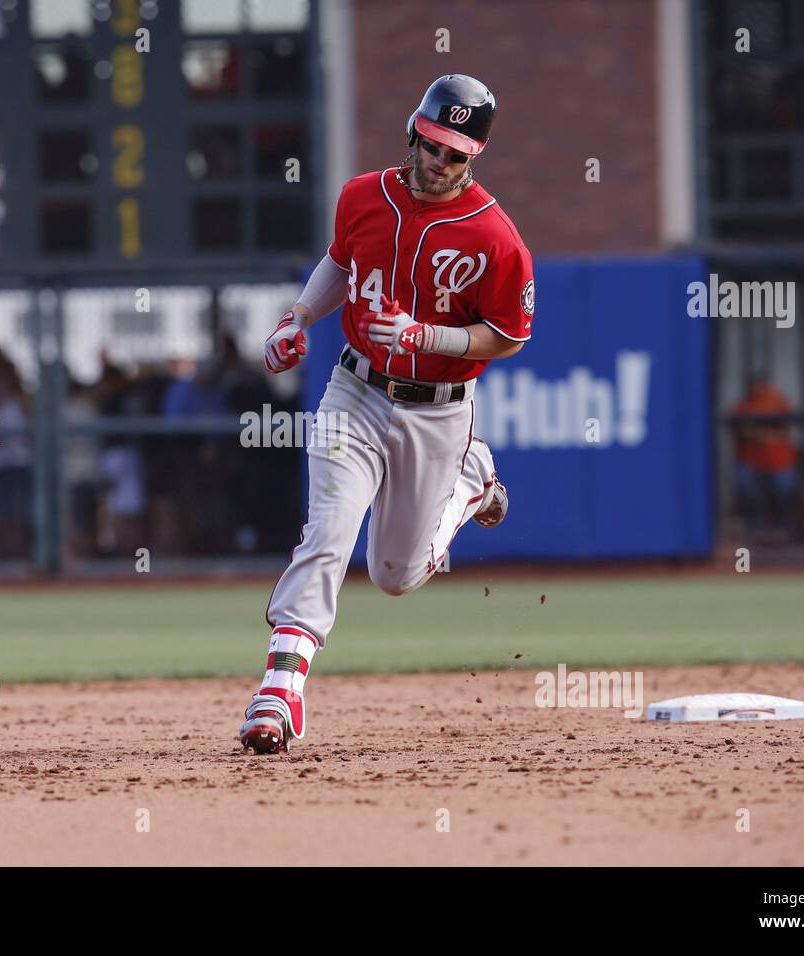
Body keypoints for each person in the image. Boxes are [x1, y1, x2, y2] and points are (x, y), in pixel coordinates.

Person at [238, 75, 534, 753]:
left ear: (473, 159)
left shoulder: (495, 236)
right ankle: (279, 691)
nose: (438, 161)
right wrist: (299, 316)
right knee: (329, 533)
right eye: (432, 144)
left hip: (438, 412)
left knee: (397, 575)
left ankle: (473, 483)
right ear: (414, 132)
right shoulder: (362, 195)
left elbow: (510, 335)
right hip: (356, 390)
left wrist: (433, 338)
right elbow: (341, 262)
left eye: (455, 154)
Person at [730, 376, 799, 539]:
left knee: (785, 485)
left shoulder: (778, 402)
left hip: (779, 464)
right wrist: (763, 434)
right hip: (752, 463)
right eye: (755, 387)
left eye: (762, 386)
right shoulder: (745, 405)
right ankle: (755, 526)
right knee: (744, 482)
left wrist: (765, 433)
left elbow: (788, 430)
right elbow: (742, 430)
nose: (758, 390)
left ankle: (781, 526)